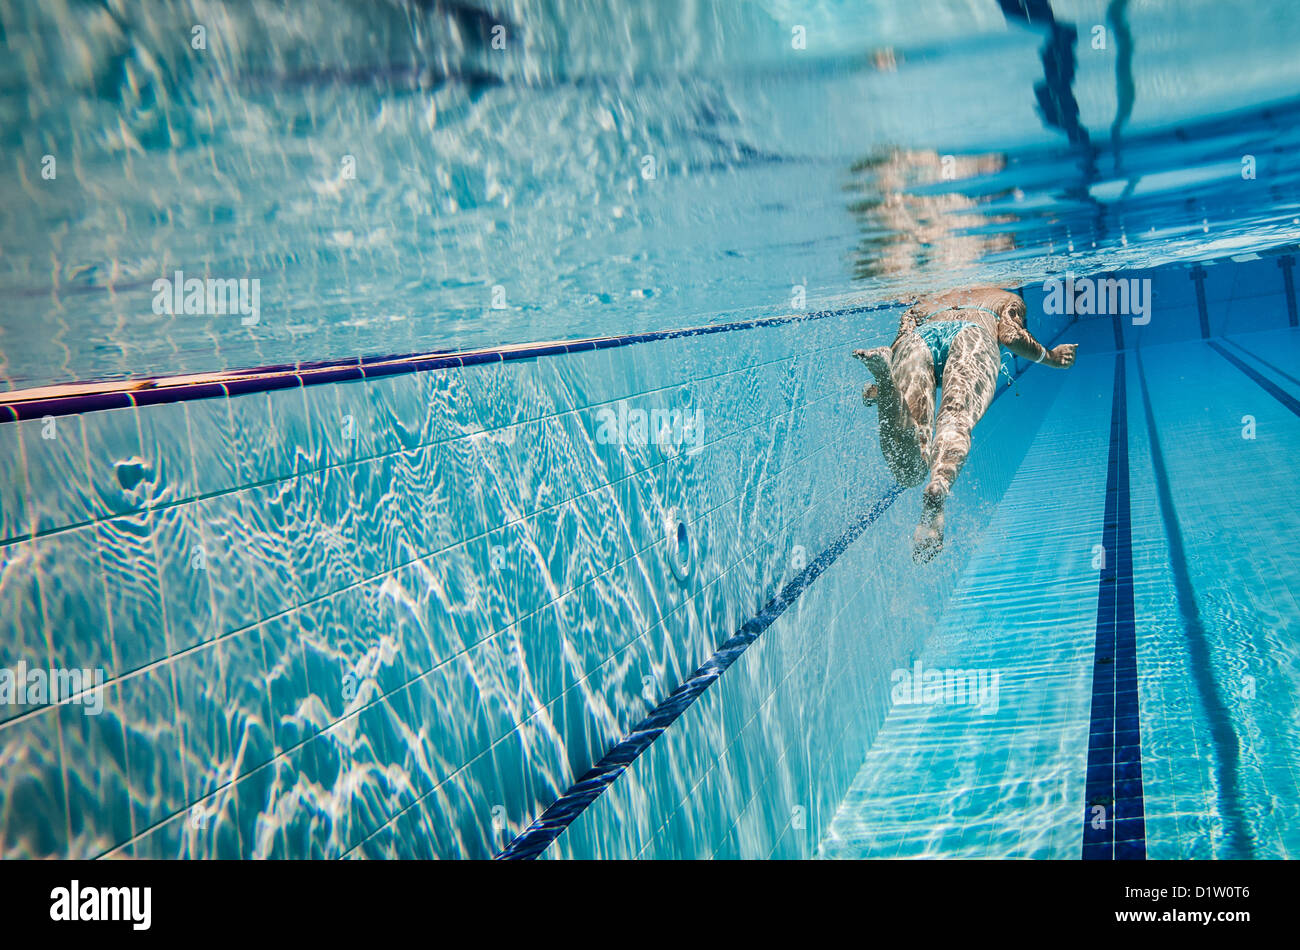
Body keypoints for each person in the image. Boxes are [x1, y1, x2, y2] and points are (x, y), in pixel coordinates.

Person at [853, 287, 1077, 562]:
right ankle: (939, 485)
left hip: (918, 341)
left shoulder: (922, 300)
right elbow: (1010, 336)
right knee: (955, 420)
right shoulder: (1004, 297)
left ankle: (886, 384)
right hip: (973, 334)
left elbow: (901, 343)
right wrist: (1052, 357)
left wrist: (881, 390)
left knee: (908, 470)